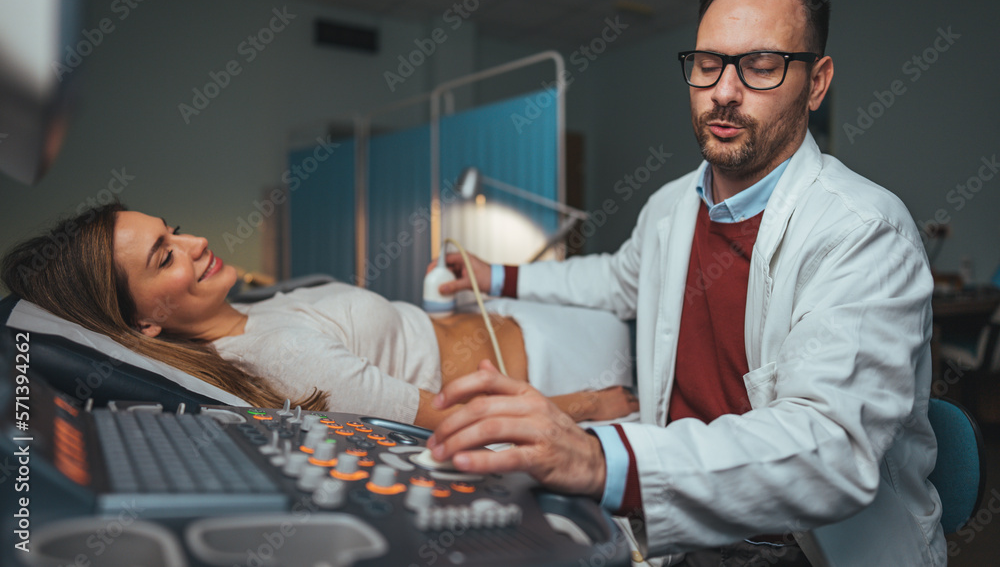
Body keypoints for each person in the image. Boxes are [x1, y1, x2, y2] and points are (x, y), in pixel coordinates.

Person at [425, 0, 945, 566]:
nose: (724, 91)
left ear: (816, 83)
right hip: (684, 530)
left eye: (761, 66)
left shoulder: (864, 231)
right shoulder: (671, 207)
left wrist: (597, 458)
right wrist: (497, 276)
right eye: (708, 64)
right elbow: (613, 280)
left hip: (803, 549)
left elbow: (829, 448)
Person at [0, 203, 637, 429]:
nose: (195, 244)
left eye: (174, 230)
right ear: (142, 325)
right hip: (563, 369)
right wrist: (588, 405)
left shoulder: (253, 313)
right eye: (165, 256)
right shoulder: (277, 358)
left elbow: (404, 347)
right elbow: (447, 418)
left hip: (529, 324)